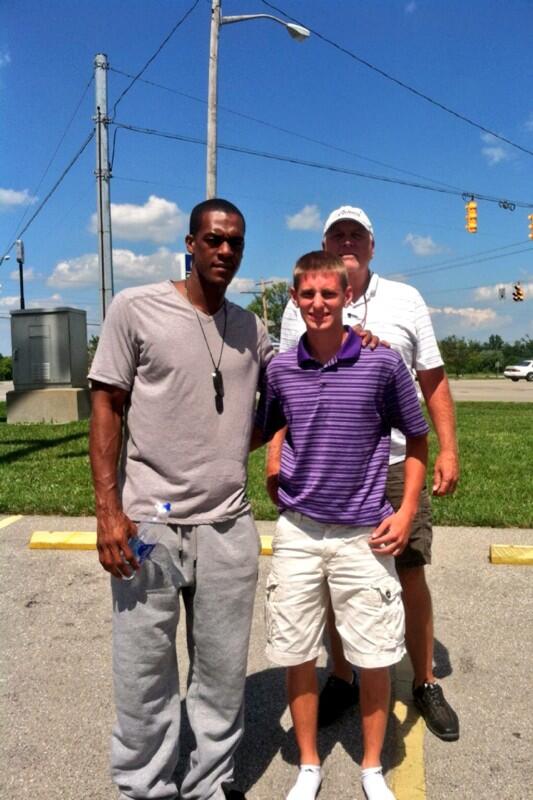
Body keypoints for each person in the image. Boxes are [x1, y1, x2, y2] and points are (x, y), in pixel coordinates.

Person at [89, 198, 274, 800]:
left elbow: (300, 381)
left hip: (228, 525)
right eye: (214, 239)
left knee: (221, 673)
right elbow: (106, 405)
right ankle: (145, 786)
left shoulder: (252, 330)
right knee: (144, 673)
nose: (225, 250)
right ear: (190, 244)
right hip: (150, 524)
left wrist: (357, 337)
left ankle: (208, 784)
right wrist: (108, 513)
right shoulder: (135, 308)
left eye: (235, 242)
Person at [271, 206, 460, 742]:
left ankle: (423, 681)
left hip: (396, 462)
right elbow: (284, 389)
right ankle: (342, 674)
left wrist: (448, 449)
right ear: (325, 245)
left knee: (410, 569)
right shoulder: (300, 305)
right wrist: (274, 458)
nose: (348, 241)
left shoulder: (406, 299)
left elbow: (432, 377)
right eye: (338, 234)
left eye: (357, 234)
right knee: (333, 576)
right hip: (327, 468)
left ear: (373, 246)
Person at [257, 250, 429, 800]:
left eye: (328, 293)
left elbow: (417, 437)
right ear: (294, 299)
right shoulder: (281, 369)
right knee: (297, 651)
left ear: (347, 295)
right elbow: (268, 426)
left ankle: (372, 767)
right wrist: (271, 466)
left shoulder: (382, 363)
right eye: (307, 294)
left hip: (363, 532)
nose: (318, 303)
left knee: (375, 656)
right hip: (299, 531)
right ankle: (308, 764)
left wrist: (406, 511)